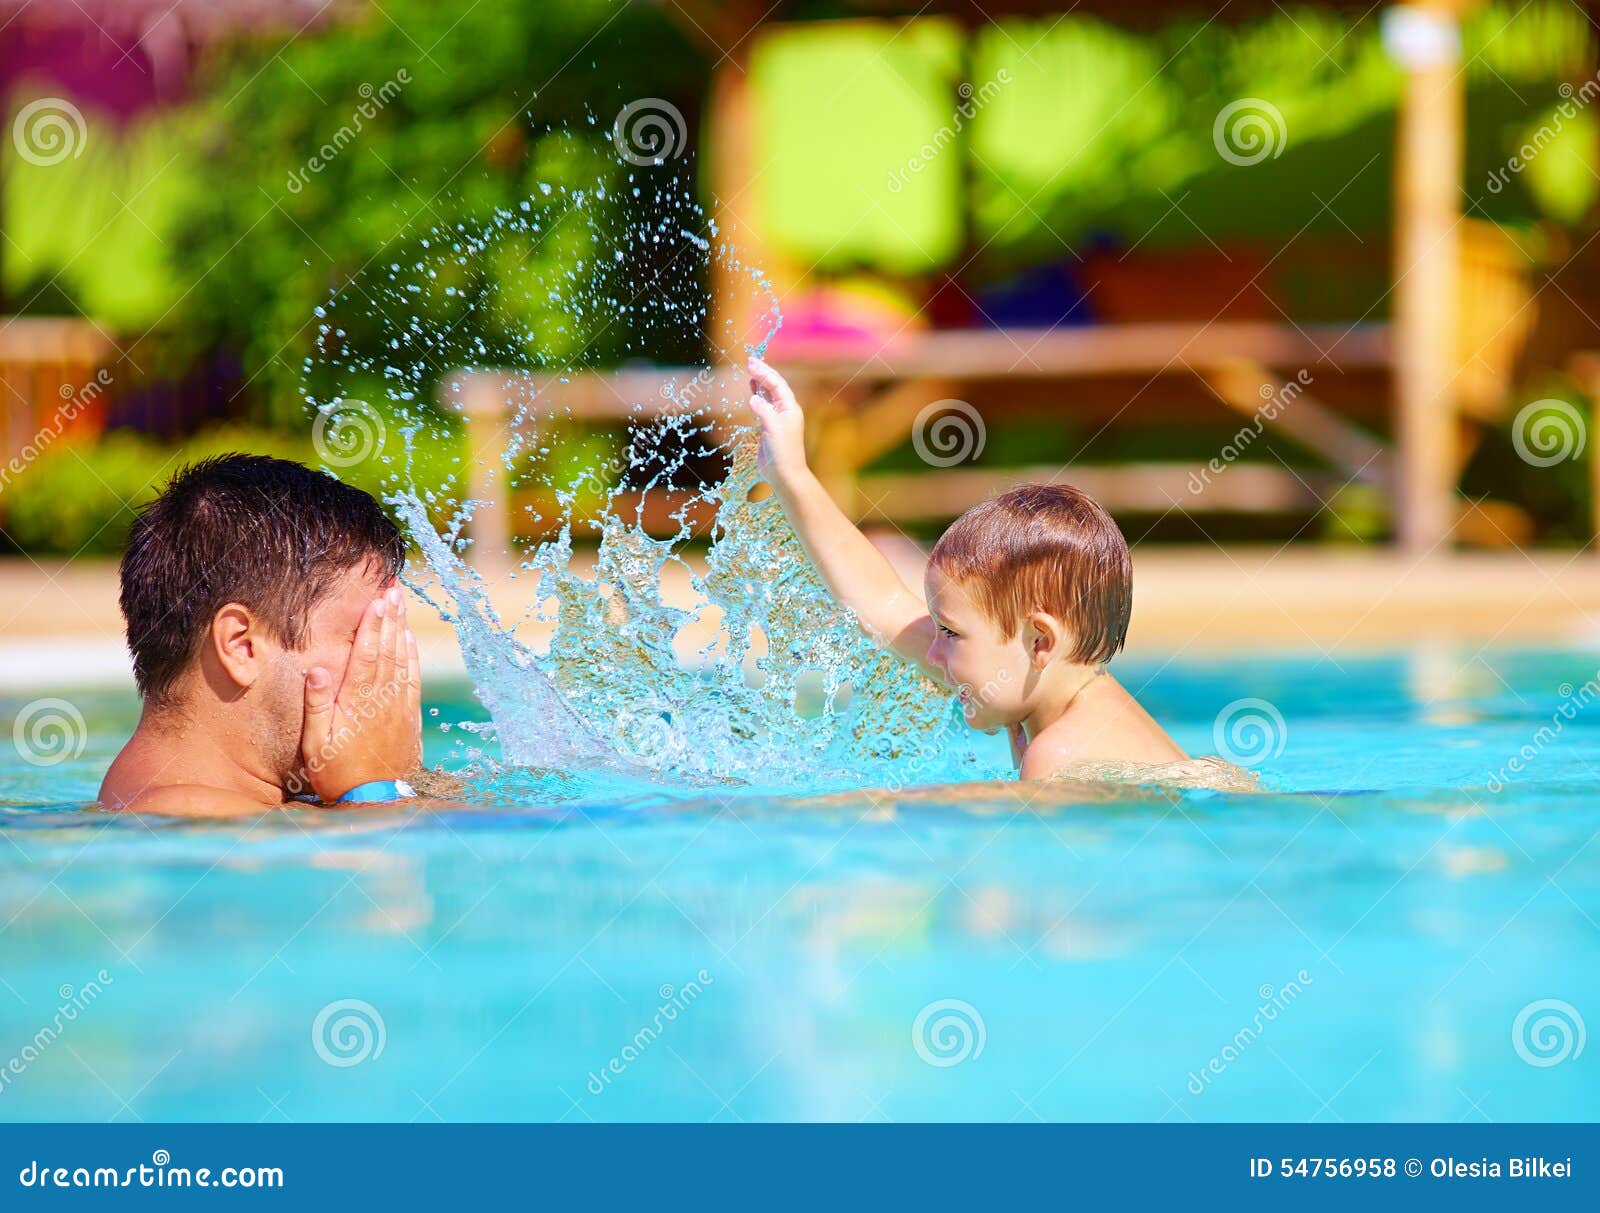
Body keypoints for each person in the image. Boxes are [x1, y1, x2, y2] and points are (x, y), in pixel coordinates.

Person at [747, 356, 1194, 781]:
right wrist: (791, 474)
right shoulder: (1041, 676)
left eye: (950, 634)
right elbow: (880, 605)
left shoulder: (1060, 755)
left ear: (1040, 640)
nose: (933, 653)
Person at [98, 454, 424, 816]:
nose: (388, 666)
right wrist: (377, 786)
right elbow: (389, 865)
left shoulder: (246, 812)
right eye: (360, 635)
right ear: (242, 646)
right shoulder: (193, 820)